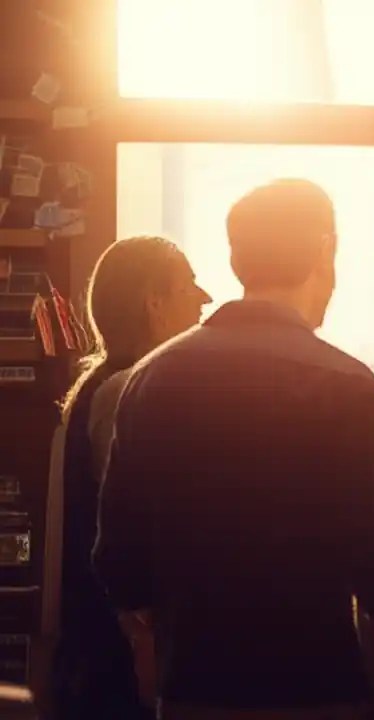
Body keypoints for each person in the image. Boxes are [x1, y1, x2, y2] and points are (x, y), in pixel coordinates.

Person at [93, 179, 374, 720]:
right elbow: (371, 554)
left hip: (191, 685)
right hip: (314, 686)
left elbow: (117, 554)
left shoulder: (152, 376)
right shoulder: (344, 383)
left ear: (238, 258)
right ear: (325, 250)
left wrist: (158, 635)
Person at [47, 236, 210, 719]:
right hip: (121, 648)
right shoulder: (127, 390)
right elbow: (140, 524)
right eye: (189, 285)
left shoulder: (109, 382)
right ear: (154, 303)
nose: (205, 297)